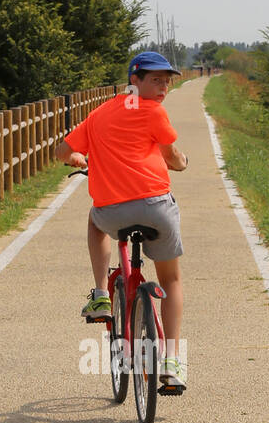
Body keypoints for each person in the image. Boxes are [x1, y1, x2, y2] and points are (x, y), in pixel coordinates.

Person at [54, 51, 189, 390]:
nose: (163, 86)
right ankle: (171, 361)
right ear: (135, 79)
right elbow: (171, 155)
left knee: (95, 222)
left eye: (167, 80)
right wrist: (181, 163)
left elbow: (62, 151)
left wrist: (76, 158)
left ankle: (101, 293)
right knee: (171, 280)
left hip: (113, 211)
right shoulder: (154, 112)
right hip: (156, 207)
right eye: (155, 79)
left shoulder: (100, 113)